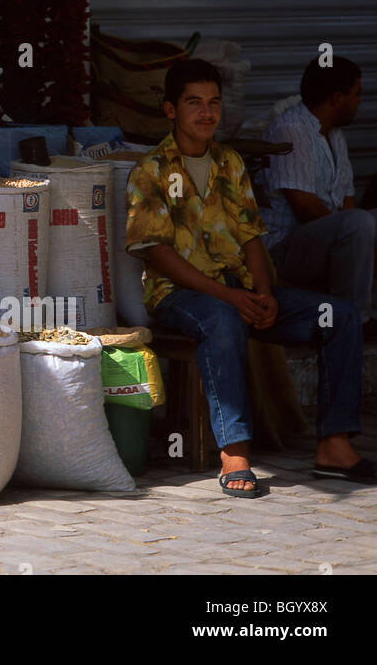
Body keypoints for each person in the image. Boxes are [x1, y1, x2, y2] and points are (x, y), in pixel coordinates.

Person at [126, 58, 372, 497]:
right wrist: (230, 297)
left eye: (214, 102)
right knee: (222, 318)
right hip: (178, 294)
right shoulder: (151, 170)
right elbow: (159, 254)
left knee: (341, 316)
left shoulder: (231, 163)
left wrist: (263, 293)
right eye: (193, 103)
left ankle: (335, 446)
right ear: (170, 110)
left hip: (238, 289)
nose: (206, 113)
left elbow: (252, 238)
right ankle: (235, 453)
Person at [261, 57, 375, 325]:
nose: (359, 102)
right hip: (283, 250)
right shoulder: (290, 129)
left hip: (322, 238)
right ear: (337, 98)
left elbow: (347, 203)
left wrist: (363, 245)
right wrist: (356, 239)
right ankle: (355, 320)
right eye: (356, 94)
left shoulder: (334, 135)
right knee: (358, 224)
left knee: (363, 223)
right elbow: (306, 208)